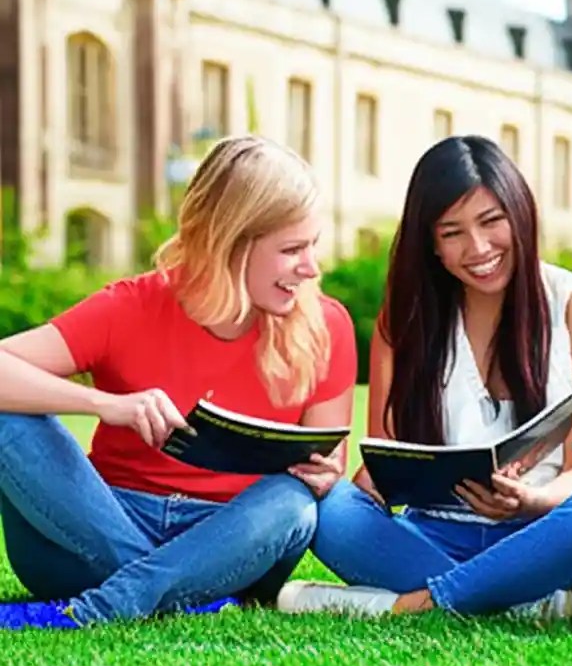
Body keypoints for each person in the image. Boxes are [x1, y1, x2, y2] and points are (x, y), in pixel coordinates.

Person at [0, 135, 357, 629]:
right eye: (292, 249)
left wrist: (323, 475)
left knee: (293, 503)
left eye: (312, 245)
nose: (311, 267)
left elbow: (324, 467)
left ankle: (118, 601)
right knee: (9, 422)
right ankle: (177, 592)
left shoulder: (326, 327)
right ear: (229, 243)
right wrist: (105, 404)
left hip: (230, 537)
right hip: (100, 527)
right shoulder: (130, 307)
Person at [275, 135, 572, 619]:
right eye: (452, 232)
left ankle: (413, 604)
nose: (478, 248)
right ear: (430, 243)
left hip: (540, 535)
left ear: (520, 215)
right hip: (432, 533)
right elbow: (384, 462)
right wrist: (342, 488)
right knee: (331, 509)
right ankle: (511, 603)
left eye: (491, 221)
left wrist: (531, 501)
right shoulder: (403, 323)